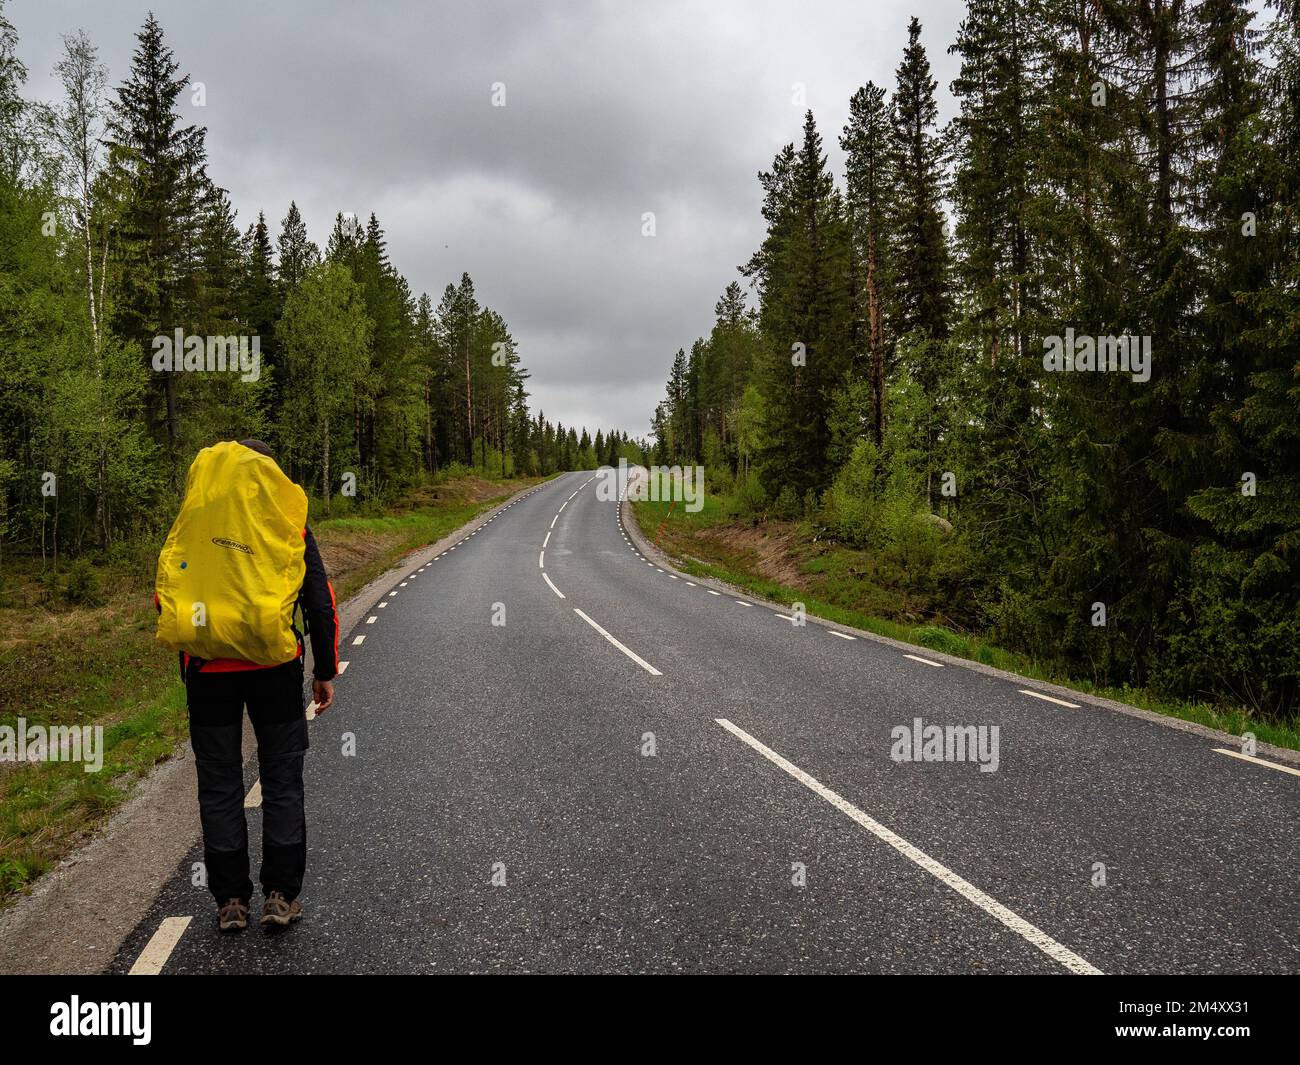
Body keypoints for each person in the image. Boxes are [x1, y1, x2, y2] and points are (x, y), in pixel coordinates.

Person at [158, 439, 339, 932]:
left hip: (208, 670)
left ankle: (230, 901)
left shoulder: (197, 518)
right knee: (281, 780)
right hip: (274, 669)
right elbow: (319, 599)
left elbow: (172, 590)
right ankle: (280, 896)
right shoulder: (283, 518)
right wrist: (325, 668)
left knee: (219, 785)